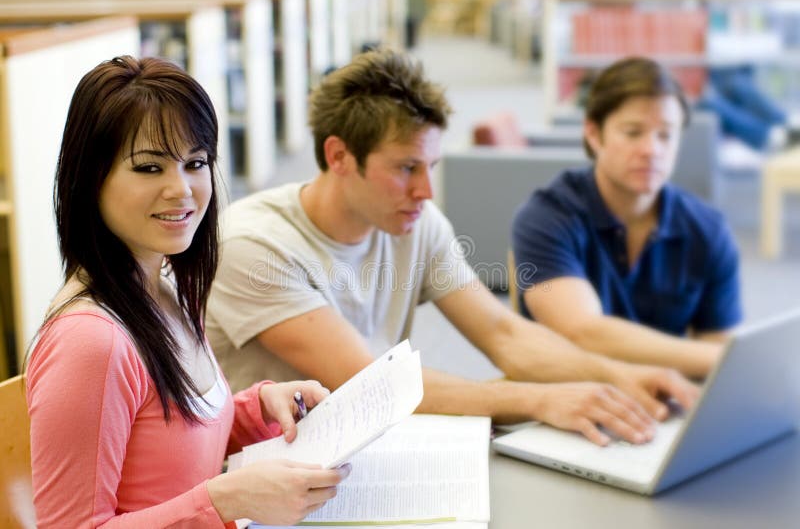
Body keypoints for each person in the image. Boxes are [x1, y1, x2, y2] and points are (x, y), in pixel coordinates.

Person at [206, 49, 699, 448]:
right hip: (265, 466)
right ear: (338, 156)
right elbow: (371, 381)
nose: (426, 191)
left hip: (362, 444)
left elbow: (505, 333)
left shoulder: (414, 221)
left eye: (431, 167)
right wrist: (544, 399)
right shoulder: (253, 246)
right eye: (406, 168)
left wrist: (621, 377)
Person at [25, 56, 349, 528]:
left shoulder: (162, 285)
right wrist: (224, 502)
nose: (182, 190)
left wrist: (258, 406)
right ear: (90, 179)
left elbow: (167, 441)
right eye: (149, 168)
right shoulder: (89, 343)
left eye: (195, 163)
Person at [512, 57, 742, 380]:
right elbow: (581, 332)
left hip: (663, 405)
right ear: (593, 133)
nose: (651, 150)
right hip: (564, 402)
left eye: (666, 135)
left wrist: (720, 361)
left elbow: (717, 364)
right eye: (633, 133)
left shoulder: (709, 230)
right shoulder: (545, 217)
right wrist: (720, 357)